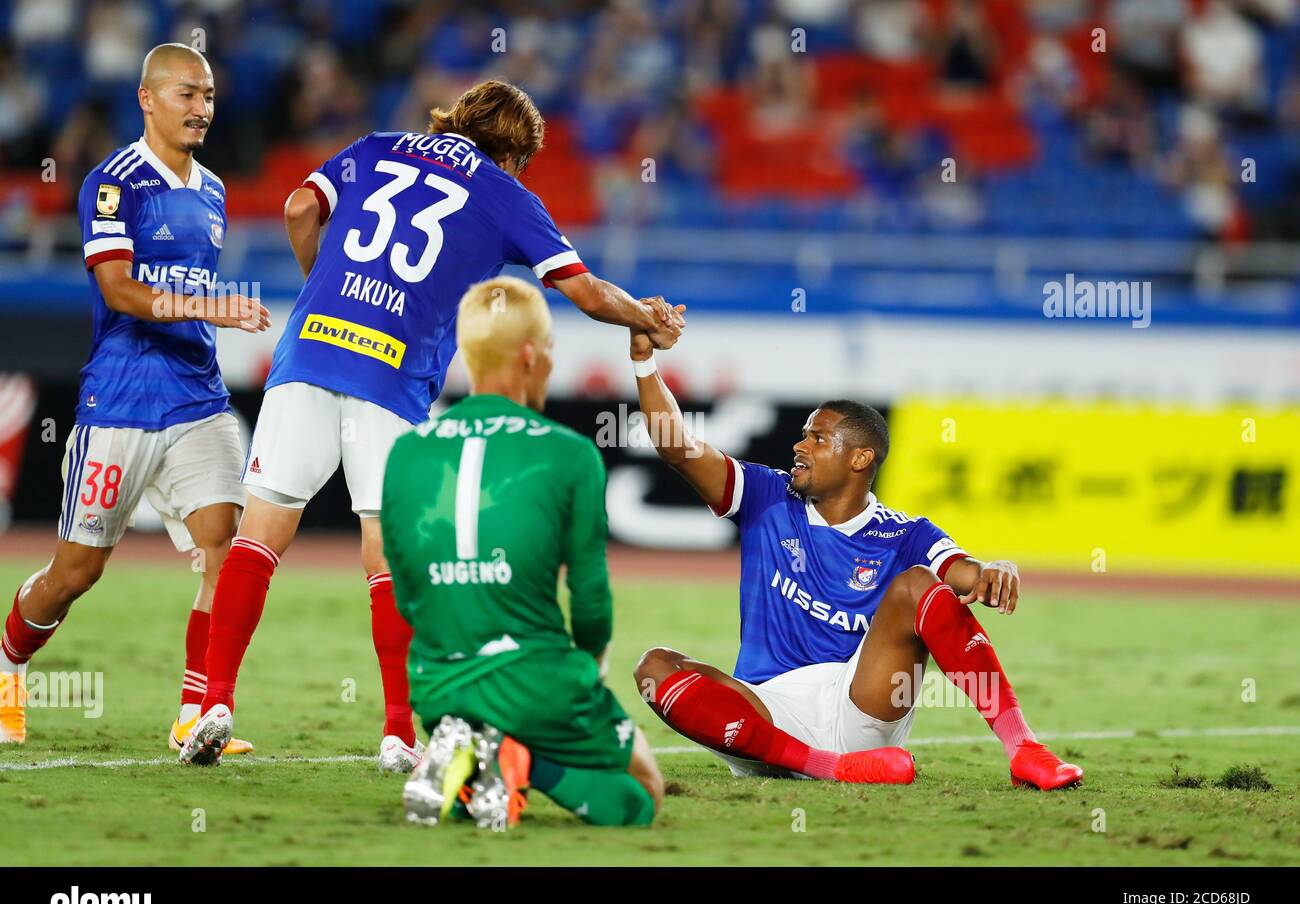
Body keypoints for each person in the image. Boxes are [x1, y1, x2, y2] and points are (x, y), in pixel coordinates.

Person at [180, 80, 684, 770]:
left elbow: (300, 207)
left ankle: (214, 704)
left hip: (308, 352)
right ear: (515, 154)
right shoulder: (506, 194)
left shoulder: (377, 146)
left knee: (260, 536)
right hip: (390, 372)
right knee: (386, 556)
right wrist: (648, 316)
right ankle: (395, 735)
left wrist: (316, 288)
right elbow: (586, 290)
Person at [626, 331, 1084, 790]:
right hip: (763, 714)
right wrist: (645, 361)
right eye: (804, 435)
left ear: (860, 459)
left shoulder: (906, 533)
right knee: (655, 666)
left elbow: (966, 576)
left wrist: (992, 572)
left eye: (818, 438)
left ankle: (1024, 749)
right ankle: (827, 767)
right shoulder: (766, 495)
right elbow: (678, 448)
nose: (799, 447)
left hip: (857, 707)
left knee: (919, 584)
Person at [0, 44, 269, 753]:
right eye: (187, 94)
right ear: (148, 99)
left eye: (209, 96)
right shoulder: (112, 183)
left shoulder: (212, 191)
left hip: (197, 399)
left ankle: (193, 714)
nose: (202, 109)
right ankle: (5, 667)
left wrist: (212, 313)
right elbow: (118, 291)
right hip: (120, 401)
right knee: (74, 574)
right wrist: (214, 307)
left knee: (223, 545)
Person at [387, 276, 664, 828]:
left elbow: (405, 592)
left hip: (439, 686)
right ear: (532, 356)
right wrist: (590, 666)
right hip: (538, 683)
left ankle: (473, 750)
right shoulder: (570, 454)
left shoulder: (405, 451)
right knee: (642, 794)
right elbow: (590, 599)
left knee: (479, 708)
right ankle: (520, 758)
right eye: (553, 352)